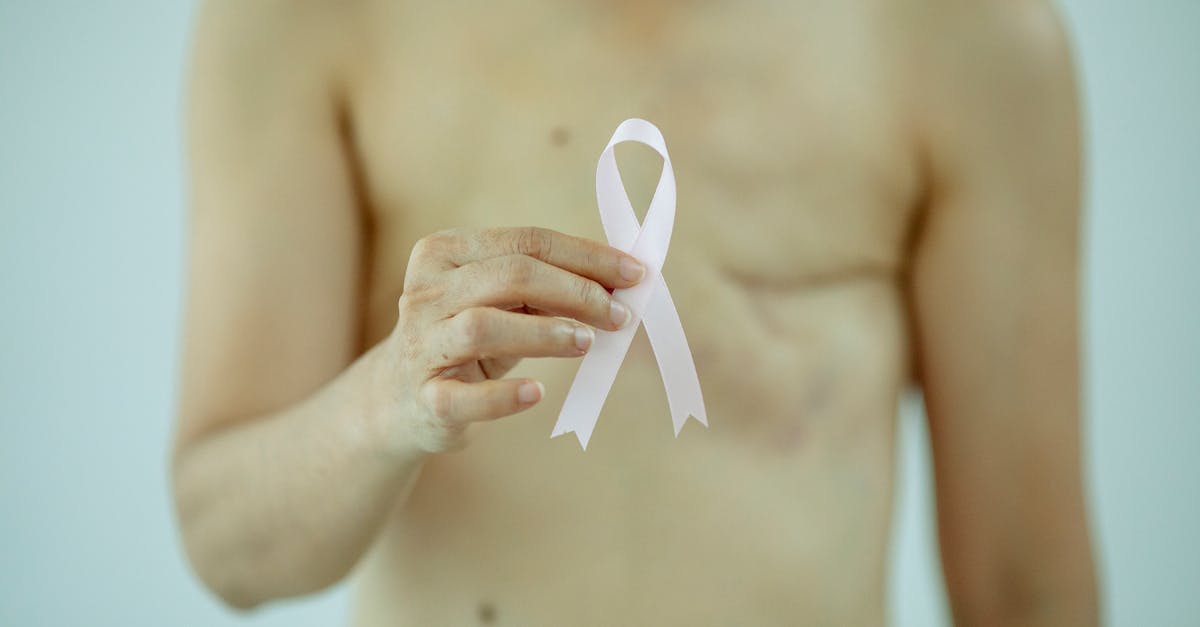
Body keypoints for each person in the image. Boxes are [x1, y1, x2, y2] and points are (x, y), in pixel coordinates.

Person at [171, 0, 1099, 624]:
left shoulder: (968, 38)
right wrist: (387, 400)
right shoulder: (303, 20)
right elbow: (228, 543)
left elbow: (1028, 588)